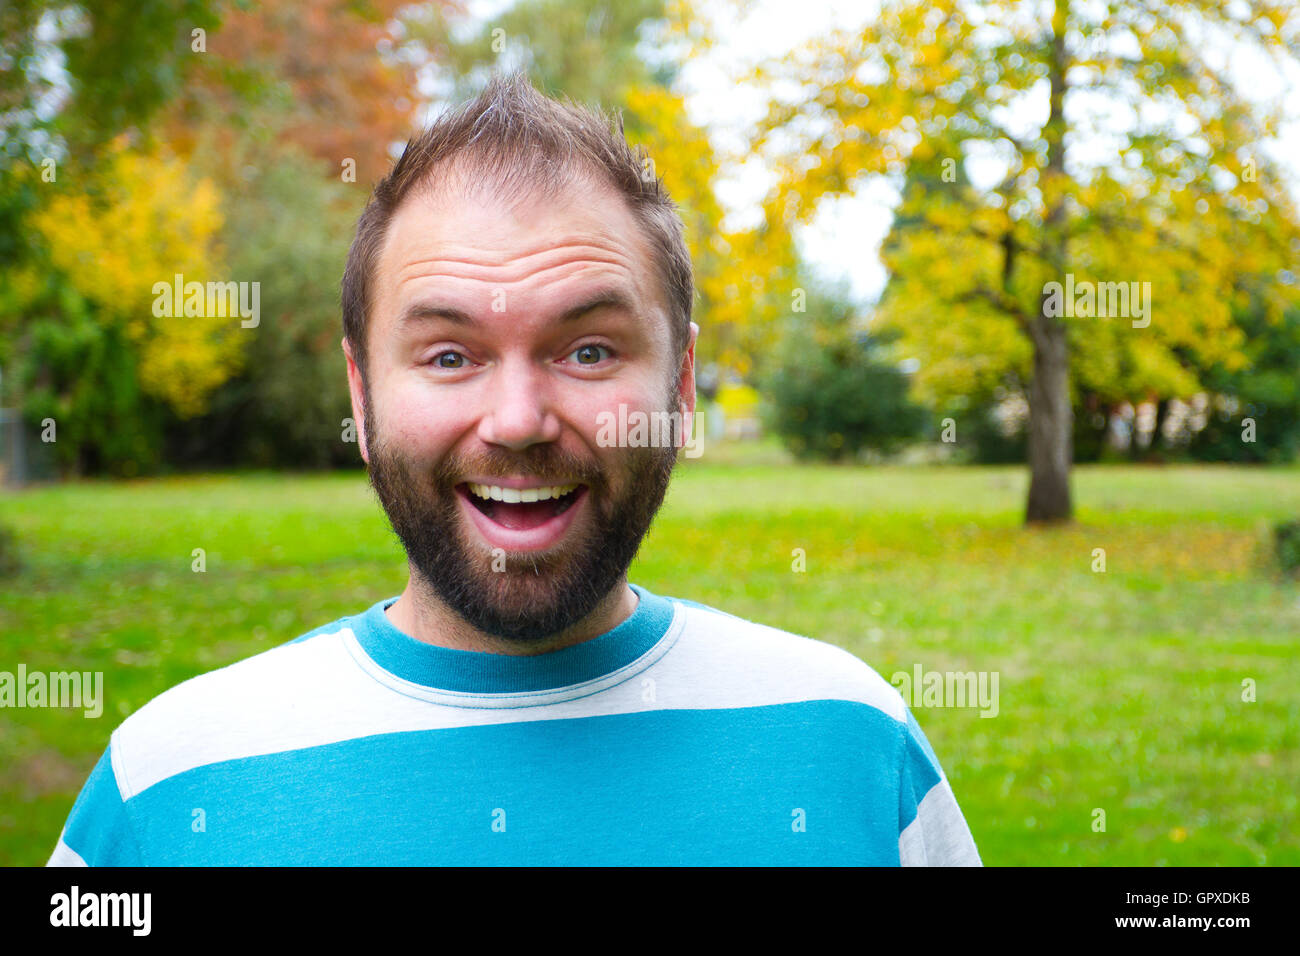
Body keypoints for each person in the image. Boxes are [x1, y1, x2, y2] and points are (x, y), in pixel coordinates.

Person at [48, 71, 981, 866]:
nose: (519, 423)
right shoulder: (165, 788)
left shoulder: (854, 747)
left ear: (683, 386)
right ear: (361, 394)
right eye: (450, 355)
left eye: (588, 351)